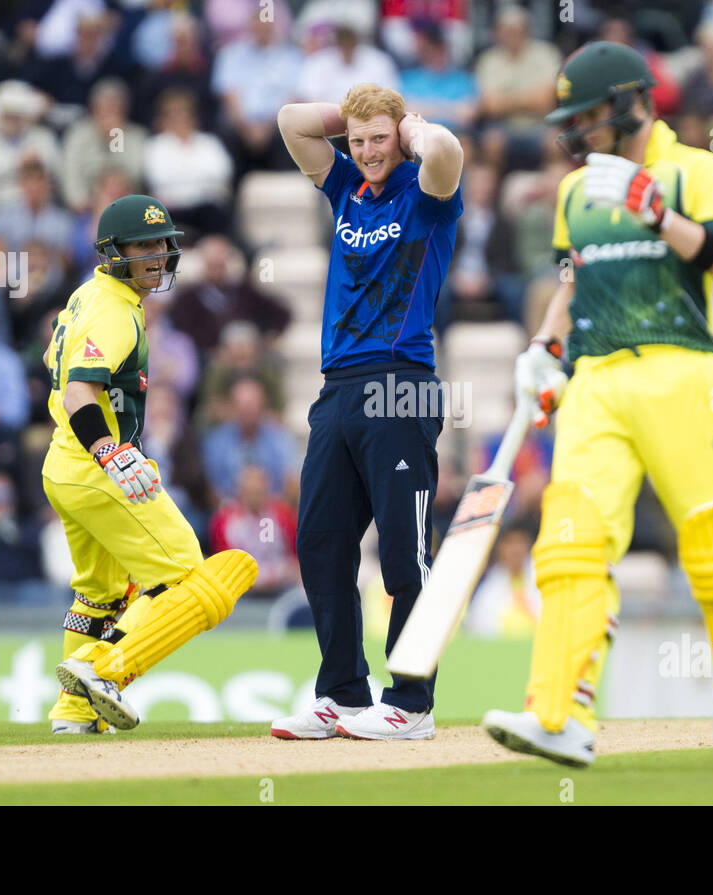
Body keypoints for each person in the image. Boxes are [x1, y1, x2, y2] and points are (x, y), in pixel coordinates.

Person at [481, 42, 713, 771]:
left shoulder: (699, 169)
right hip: (595, 380)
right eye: (574, 117)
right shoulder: (574, 190)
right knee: (569, 544)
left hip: (683, 371)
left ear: (631, 102)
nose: (581, 128)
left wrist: (659, 213)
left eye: (591, 113)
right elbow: (575, 279)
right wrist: (543, 347)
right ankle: (558, 713)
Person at [270, 83, 463, 741]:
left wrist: (402, 125)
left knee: (406, 554)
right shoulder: (345, 184)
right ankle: (344, 695)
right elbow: (292, 122)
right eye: (357, 141)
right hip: (339, 388)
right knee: (321, 542)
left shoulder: (427, 193)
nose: (367, 150)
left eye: (378, 139)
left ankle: (412, 704)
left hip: (401, 383)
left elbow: (445, 147)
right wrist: (352, 115)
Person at [41, 194, 258, 734]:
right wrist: (110, 453)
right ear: (114, 252)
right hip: (97, 468)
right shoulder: (115, 311)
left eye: (163, 244)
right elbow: (78, 394)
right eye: (144, 246)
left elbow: (52, 361)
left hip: (62, 467)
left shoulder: (88, 295)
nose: (158, 256)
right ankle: (105, 671)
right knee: (191, 580)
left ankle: (72, 712)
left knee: (100, 593)